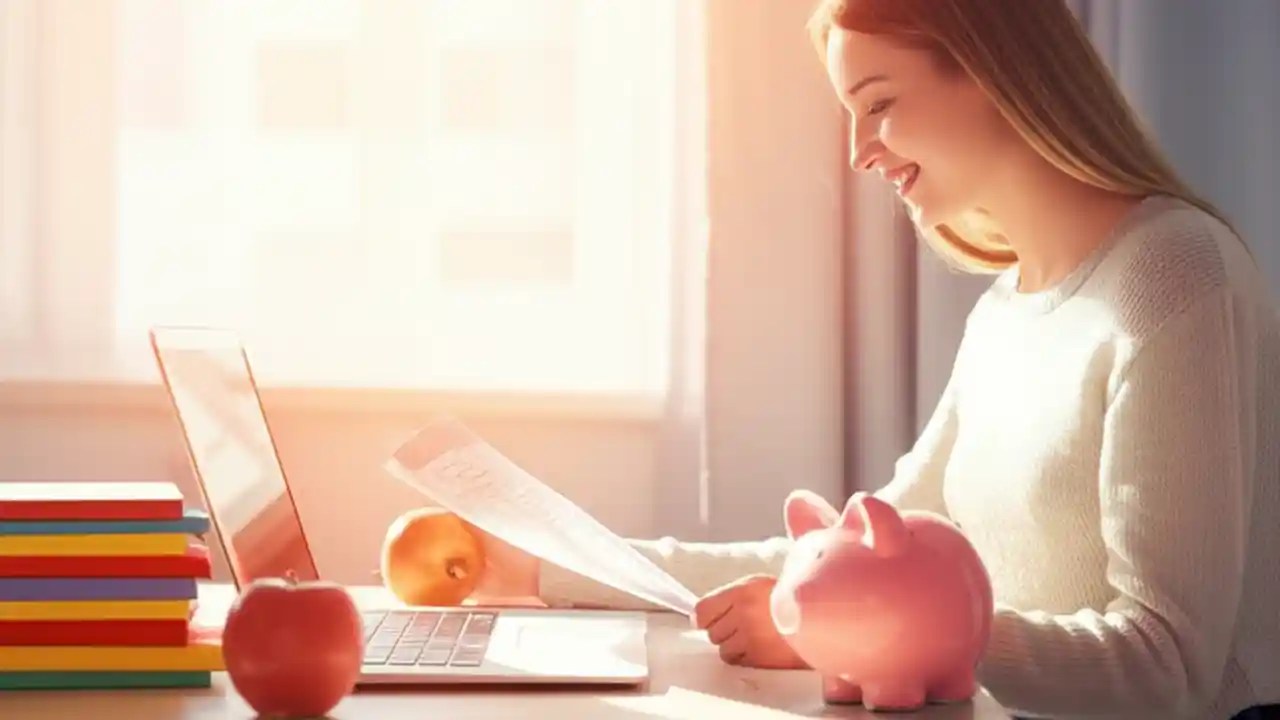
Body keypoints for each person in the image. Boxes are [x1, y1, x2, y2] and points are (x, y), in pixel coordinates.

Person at [466, 1, 1280, 718]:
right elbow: (845, 561)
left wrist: (866, 632)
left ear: (996, 74)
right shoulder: (1006, 313)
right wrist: (545, 565)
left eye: (879, 104)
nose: (859, 151)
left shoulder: (1173, 273)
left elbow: (1169, 668)